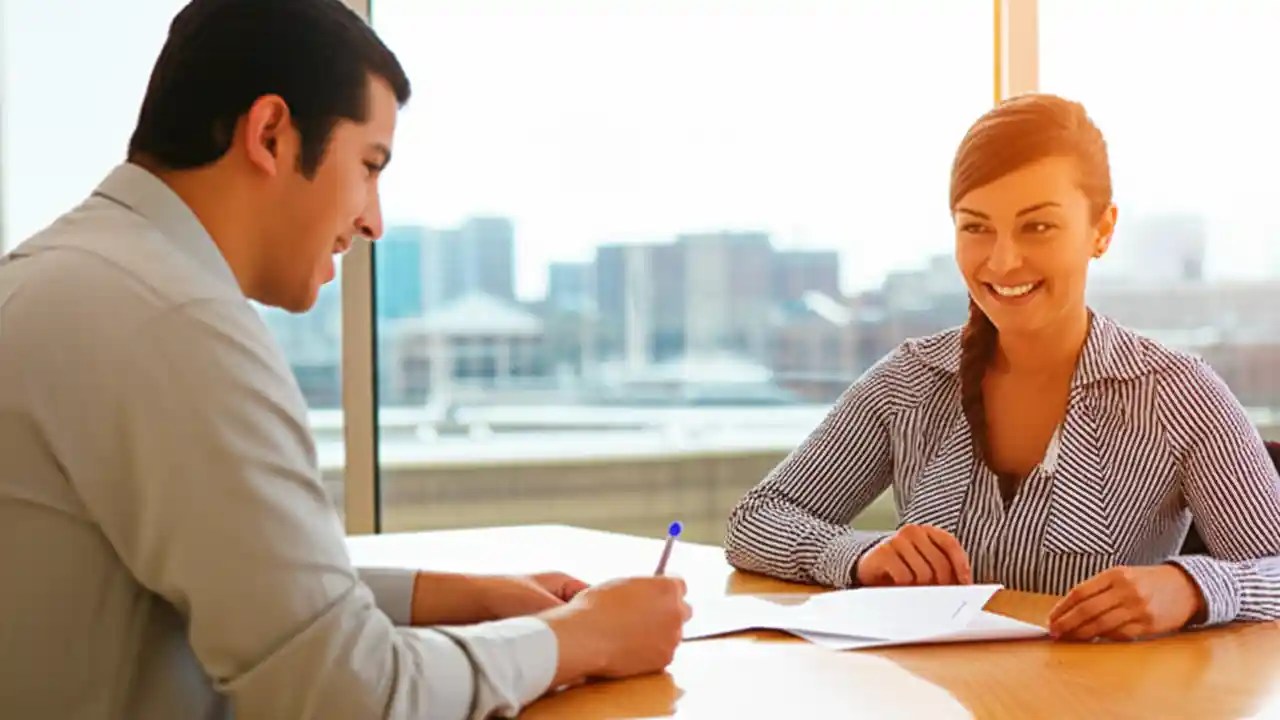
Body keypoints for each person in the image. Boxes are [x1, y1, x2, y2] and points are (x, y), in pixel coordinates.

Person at [0, 1, 689, 718]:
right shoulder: (175, 322)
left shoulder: (64, 277)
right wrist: (580, 639)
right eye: (369, 166)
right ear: (270, 133)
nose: (373, 220)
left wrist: (457, 596)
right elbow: (348, 695)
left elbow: (236, 583)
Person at [724, 92, 1280, 643]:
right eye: (976, 227)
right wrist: (861, 554)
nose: (1002, 259)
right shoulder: (909, 382)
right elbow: (755, 521)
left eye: (1037, 227)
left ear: (1102, 230)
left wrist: (1190, 588)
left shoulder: (1179, 395)